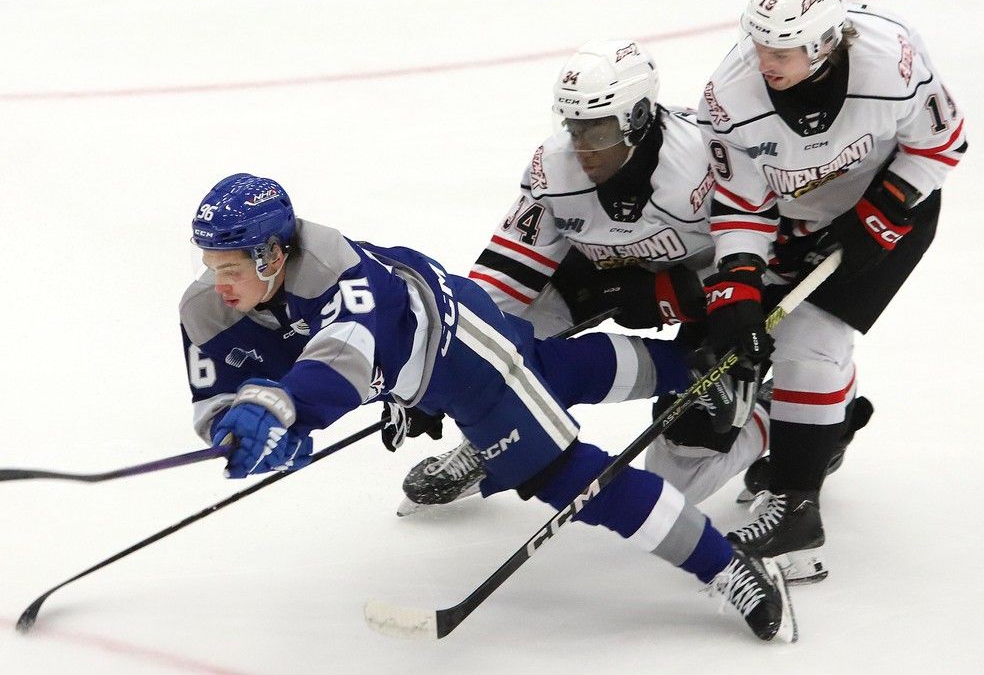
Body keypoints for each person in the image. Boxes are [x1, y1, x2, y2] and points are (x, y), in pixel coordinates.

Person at [179, 173, 796, 642]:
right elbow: (218, 403)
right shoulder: (205, 307)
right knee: (549, 368)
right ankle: (695, 367)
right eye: (211, 267)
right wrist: (254, 439)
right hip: (412, 365)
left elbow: (342, 358)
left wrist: (288, 410)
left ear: (273, 256)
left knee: (564, 475)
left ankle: (725, 565)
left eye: (231, 268)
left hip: (461, 354)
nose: (219, 284)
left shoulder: (338, 274)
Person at [400, 39, 770, 514]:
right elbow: (499, 283)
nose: (581, 147)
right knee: (500, 334)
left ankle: (781, 412)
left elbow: (757, 240)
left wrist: (703, 302)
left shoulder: (701, 157)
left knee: (676, 485)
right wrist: (440, 356)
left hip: (709, 293)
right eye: (573, 127)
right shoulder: (553, 169)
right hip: (603, 274)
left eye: (597, 131)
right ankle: (494, 436)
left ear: (637, 118)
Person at [696, 0, 965, 583]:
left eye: (782, 49)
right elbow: (740, 205)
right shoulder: (729, 96)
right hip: (799, 221)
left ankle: (796, 508)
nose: (765, 60)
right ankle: (823, 432)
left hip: (895, 206)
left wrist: (880, 211)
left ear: (823, 42)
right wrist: (737, 283)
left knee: (810, 337)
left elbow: (942, 143)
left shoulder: (891, 59)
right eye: (758, 43)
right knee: (770, 337)